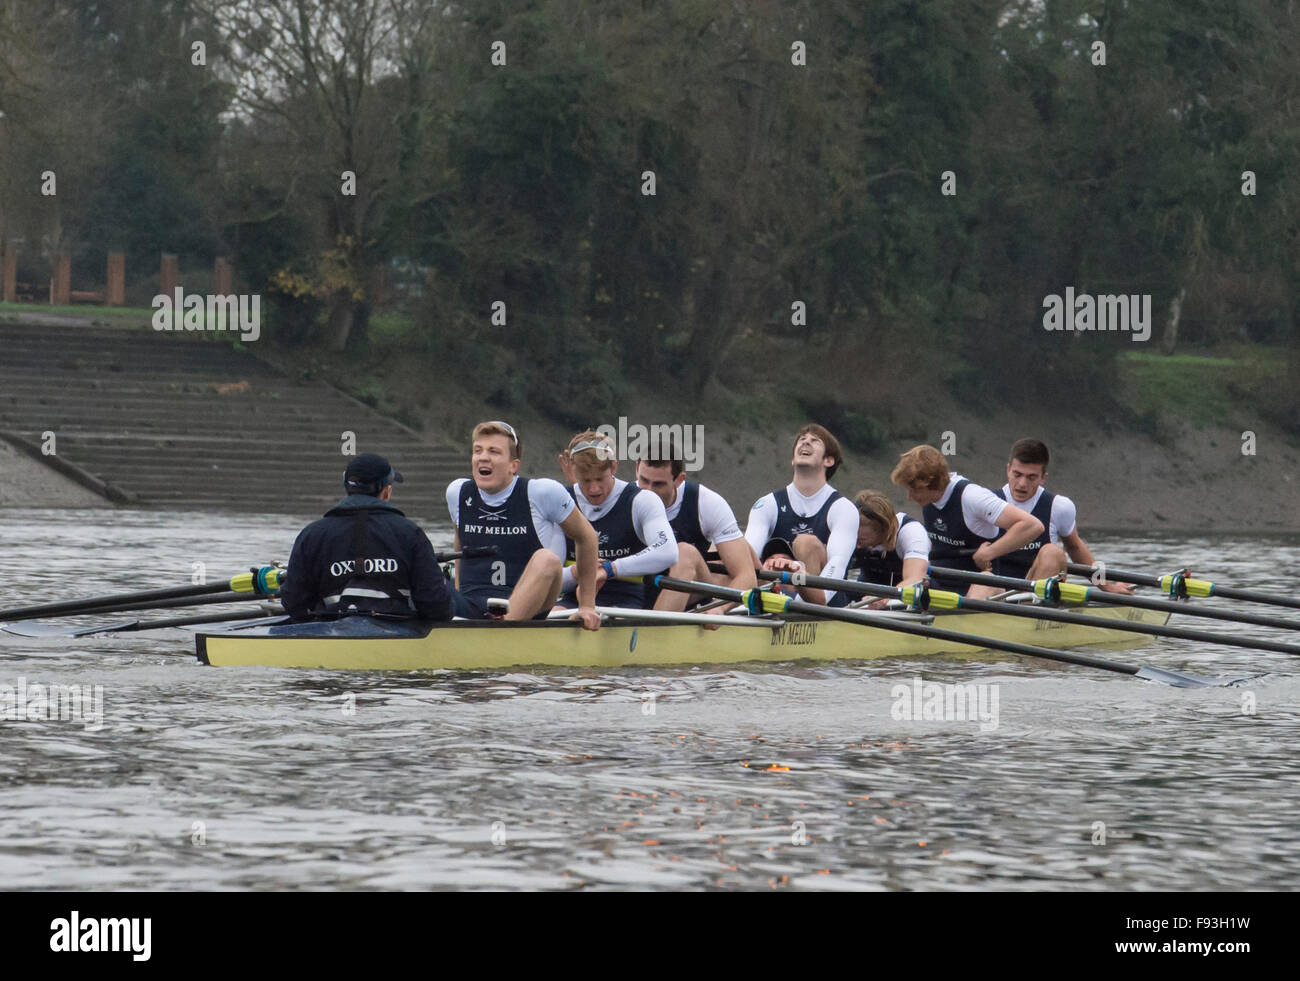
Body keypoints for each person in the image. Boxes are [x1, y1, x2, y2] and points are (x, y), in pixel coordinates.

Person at [446, 421, 601, 628]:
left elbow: (587, 537)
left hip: (529, 603)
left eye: (494, 451)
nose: (483, 457)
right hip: (472, 602)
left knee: (548, 559)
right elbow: (460, 542)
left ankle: (502, 633)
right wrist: (457, 591)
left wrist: (587, 607)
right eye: (478, 451)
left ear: (513, 465)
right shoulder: (457, 492)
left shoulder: (542, 493)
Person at [280, 453, 452, 620]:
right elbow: (436, 606)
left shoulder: (311, 535)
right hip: (396, 639)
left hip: (330, 637)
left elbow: (294, 602)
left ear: (348, 488)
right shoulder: (410, 533)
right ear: (386, 491)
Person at [889, 444, 1043, 600]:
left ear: (931, 483)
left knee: (985, 583)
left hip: (977, 588)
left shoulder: (972, 496)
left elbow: (1032, 526)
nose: (909, 496)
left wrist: (991, 552)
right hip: (940, 585)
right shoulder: (929, 499)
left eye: (913, 489)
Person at [992, 438, 1134, 593]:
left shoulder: (1059, 507)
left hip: (1033, 596)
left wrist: (1107, 585)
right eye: (1017, 474)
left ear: (1043, 478)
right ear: (1008, 470)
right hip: (993, 594)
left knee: (1054, 553)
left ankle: (1031, 610)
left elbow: (1076, 548)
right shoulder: (985, 502)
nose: (1022, 484)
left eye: (1031, 477)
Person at [557, 431, 678, 609]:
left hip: (626, 599)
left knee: (611, 621)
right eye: (586, 480)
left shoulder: (641, 500)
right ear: (573, 471)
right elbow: (550, 577)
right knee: (554, 614)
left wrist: (609, 569)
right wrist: (579, 571)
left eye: (599, 479)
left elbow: (668, 551)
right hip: (573, 596)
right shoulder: (561, 500)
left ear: (613, 467)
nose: (594, 489)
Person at [743, 424, 858, 606]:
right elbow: (748, 552)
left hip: (823, 603)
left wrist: (821, 599)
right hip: (777, 594)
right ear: (792, 460)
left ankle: (806, 608)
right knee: (729, 548)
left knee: (806, 543)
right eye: (802, 439)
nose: (805, 442)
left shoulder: (843, 508)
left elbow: (838, 562)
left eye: (814, 440)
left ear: (828, 460)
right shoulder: (767, 504)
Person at [633, 455, 755, 612]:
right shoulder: (624, 499)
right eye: (644, 481)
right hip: (640, 591)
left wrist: (719, 608)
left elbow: (747, 576)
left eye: (658, 484)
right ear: (637, 469)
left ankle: (655, 631)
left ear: (679, 479)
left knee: (685, 552)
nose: (648, 492)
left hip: (692, 590)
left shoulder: (707, 503)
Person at [849, 490, 930, 607]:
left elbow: (916, 578)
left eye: (861, 540)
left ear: (883, 530)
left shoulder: (912, 532)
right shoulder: (848, 528)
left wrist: (883, 597)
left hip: (905, 598)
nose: (857, 546)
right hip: (867, 589)